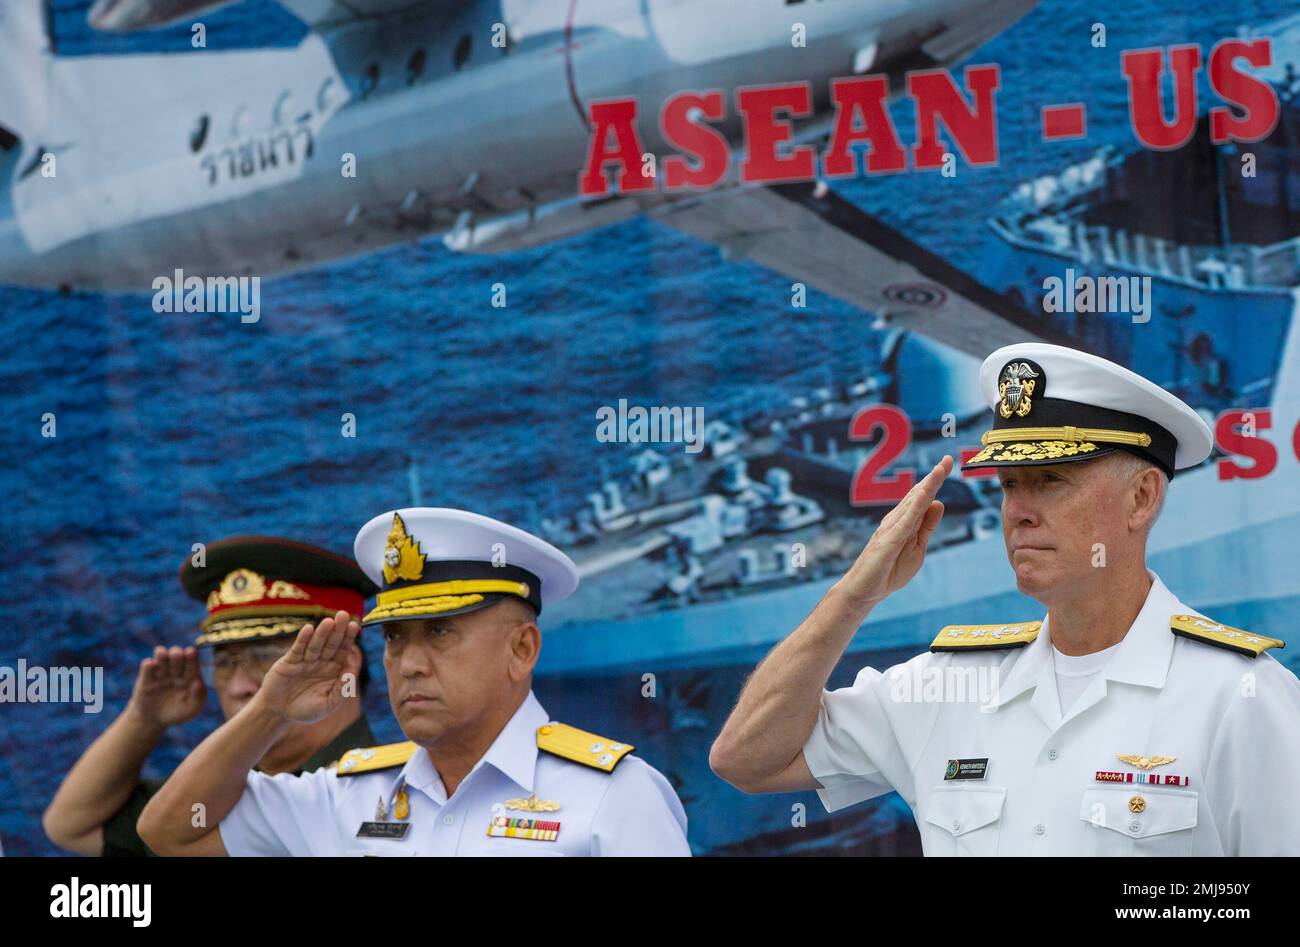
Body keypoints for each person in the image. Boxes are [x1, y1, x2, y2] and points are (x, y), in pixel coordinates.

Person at [711, 342, 1300, 855]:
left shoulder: (1241, 697)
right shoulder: (946, 686)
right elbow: (746, 760)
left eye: (1052, 481)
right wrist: (855, 595)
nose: (1017, 511)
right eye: (1010, 485)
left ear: (1141, 498)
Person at [138, 508, 690, 856]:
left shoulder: (612, 797)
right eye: (395, 638)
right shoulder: (347, 796)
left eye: (441, 632)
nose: (410, 663)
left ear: (522, 649)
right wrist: (269, 710)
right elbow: (169, 832)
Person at [44, 536, 377, 856]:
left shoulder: (388, 795)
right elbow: (71, 827)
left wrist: (269, 712)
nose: (238, 687)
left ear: (343, 663)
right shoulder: (212, 801)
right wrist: (144, 721)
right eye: (224, 662)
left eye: (264, 657)